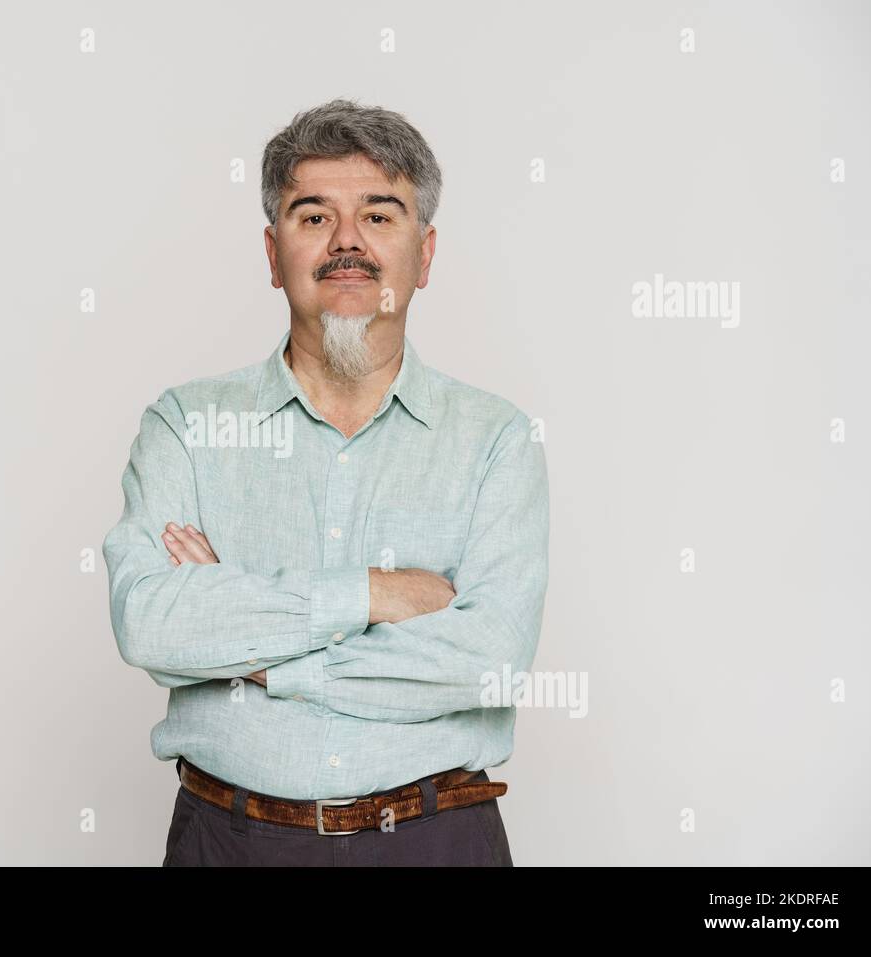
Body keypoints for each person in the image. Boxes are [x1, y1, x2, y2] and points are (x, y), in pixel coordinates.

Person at [101, 98, 549, 866]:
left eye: (380, 216)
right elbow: (151, 622)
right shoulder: (185, 424)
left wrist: (256, 652)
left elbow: (488, 657)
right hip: (228, 841)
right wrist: (375, 593)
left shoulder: (497, 440)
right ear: (273, 255)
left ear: (426, 253)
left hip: (436, 842)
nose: (348, 242)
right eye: (313, 218)